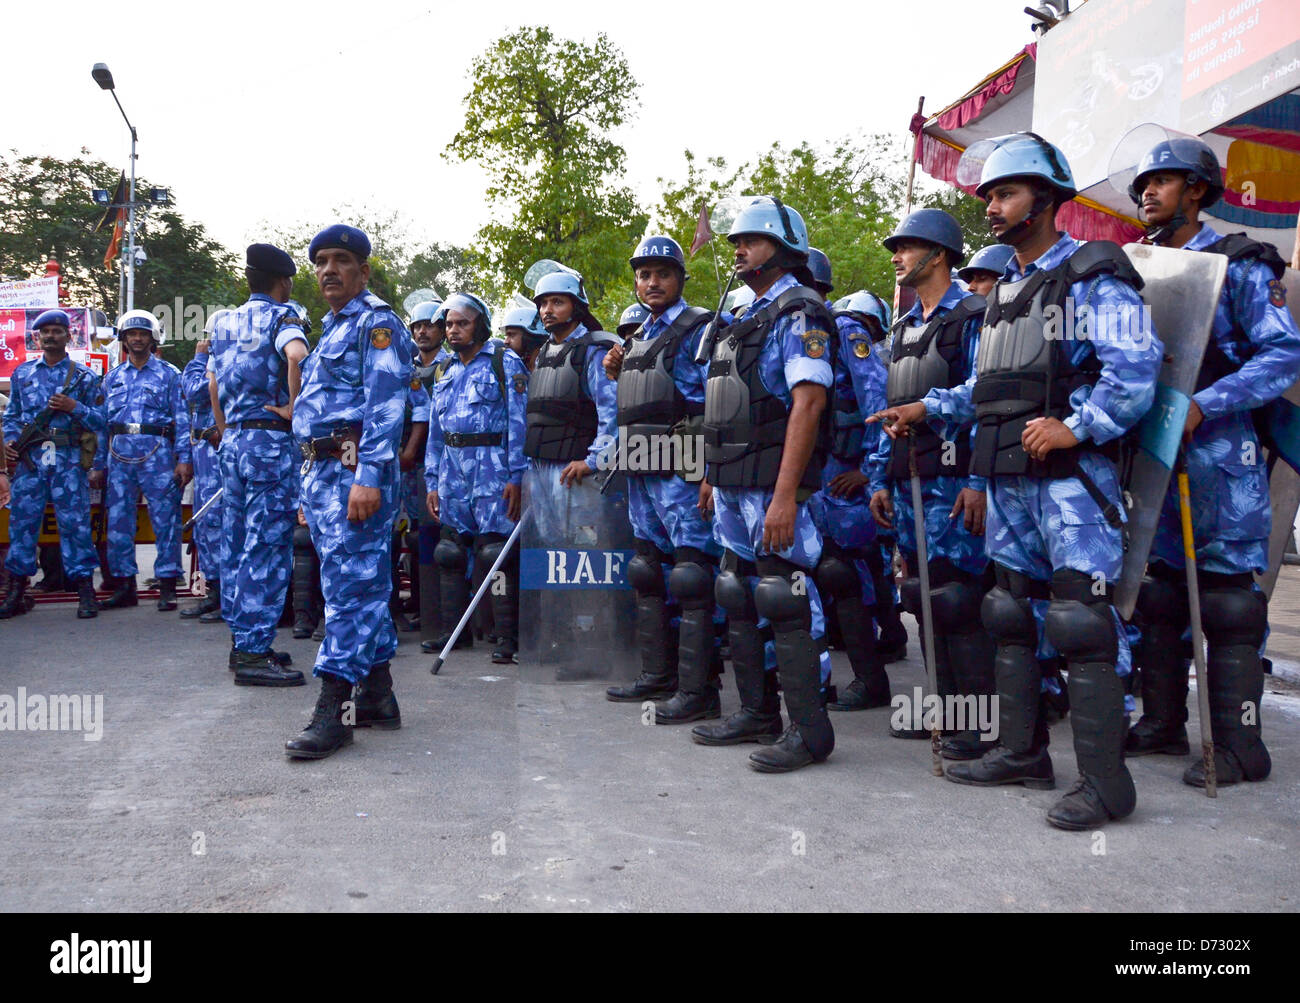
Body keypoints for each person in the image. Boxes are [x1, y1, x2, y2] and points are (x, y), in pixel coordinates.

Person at [876, 133, 1162, 829]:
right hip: (1007, 478)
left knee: (1079, 623)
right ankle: (1021, 752)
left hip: (1071, 481)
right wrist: (928, 405)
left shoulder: (1094, 272)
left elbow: (1136, 369)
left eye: (1006, 193)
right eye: (990, 197)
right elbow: (987, 385)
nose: (994, 207)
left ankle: (1105, 785)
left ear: (1047, 198)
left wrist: (1078, 424)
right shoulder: (1005, 290)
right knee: (1007, 614)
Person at [1121, 133, 1300, 787]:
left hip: (1219, 453)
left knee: (1228, 605)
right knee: (1159, 594)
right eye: (1144, 184)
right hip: (1153, 456)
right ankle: (1163, 724)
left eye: (1162, 182)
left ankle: (1239, 744)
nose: (1148, 193)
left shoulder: (1238, 263)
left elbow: (1283, 354)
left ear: (1196, 190)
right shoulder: (1135, 268)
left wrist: (1208, 402)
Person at [696, 195, 835, 772]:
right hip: (732, 481)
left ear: (781, 249)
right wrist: (710, 475)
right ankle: (757, 713)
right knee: (735, 590)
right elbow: (723, 405)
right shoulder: (742, 318)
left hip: (772, 484)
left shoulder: (799, 311)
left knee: (783, 595)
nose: (737, 249)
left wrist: (785, 495)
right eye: (734, 241)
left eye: (748, 241)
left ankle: (810, 731)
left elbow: (808, 404)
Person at [866, 210, 996, 757]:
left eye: (908, 246)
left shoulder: (973, 317)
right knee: (922, 598)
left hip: (953, 479)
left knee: (958, 600)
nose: (896, 256)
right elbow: (886, 408)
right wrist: (878, 475)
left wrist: (977, 479)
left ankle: (980, 722)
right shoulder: (903, 328)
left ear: (939, 254)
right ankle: (944, 709)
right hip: (908, 479)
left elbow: (987, 396)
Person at [286, 224, 413, 758]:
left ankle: (334, 709)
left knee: (348, 592)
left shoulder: (377, 322)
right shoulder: (332, 326)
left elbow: (386, 407)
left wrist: (367, 476)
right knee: (358, 585)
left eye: (341, 260)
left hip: (353, 467)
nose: (329, 270)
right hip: (323, 473)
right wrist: (306, 487)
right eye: (321, 262)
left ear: (364, 270)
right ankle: (378, 696)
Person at [602, 235, 725, 720]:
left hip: (683, 463)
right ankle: (659, 674)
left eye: (662, 274)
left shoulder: (703, 327)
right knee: (647, 570)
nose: (651, 283)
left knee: (693, 576)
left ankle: (701, 691)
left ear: (680, 278)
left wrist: (712, 471)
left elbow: (720, 400)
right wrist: (619, 371)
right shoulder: (640, 334)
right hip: (641, 464)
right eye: (644, 275)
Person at [799, 249, 895, 714]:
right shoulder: (798, 333)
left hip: (844, 473)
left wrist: (871, 472)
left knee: (847, 570)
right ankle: (814, 678)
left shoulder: (845, 331)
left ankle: (871, 677)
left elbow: (877, 401)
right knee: (817, 574)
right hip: (811, 475)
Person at [208, 245, 309, 685]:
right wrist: (295, 409)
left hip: (233, 441)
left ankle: (245, 641)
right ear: (282, 282)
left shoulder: (224, 323)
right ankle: (252, 653)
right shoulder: (283, 317)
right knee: (267, 545)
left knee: (236, 542)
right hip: (269, 440)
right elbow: (297, 356)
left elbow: (211, 379)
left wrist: (224, 425)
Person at [425, 293, 529, 663]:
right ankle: (455, 632)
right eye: (449, 324)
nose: (453, 330)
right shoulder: (444, 370)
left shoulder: (504, 362)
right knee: (450, 551)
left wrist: (517, 476)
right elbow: (436, 433)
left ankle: (506, 638)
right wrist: (432, 481)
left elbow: (519, 424)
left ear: (480, 325)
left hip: (492, 469)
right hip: (453, 471)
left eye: (462, 323)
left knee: (495, 553)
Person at [0, 309, 105, 619]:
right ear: (37, 337)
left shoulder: (83, 377)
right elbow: (13, 416)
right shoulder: (22, 373)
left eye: (57, 331)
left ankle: (85, 590)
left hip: (67, 460)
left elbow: (101, 421)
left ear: (68, 336)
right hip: (31, 461)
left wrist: (75, 407)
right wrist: (9, 441)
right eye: (44, 332)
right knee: (22, 525)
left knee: (75, 526)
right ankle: (17, 590)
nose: (50, 336)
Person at [97, 311, 191, 612]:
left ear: (153, 338)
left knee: (166, 520)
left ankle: (167, 584)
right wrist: (99, 464)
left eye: (143, 334)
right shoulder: (112, 378)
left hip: (158, 453)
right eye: (132, 334)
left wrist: (184, 459)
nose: (137, 339)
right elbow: (102, 425)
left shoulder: (169, 375)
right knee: (119, 521)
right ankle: (124, 585)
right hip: (119, 455)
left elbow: (183, 420)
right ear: (123, 339)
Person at [178, 309, 230, 621]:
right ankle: (213, 590)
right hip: (201, 455)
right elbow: (187, 398)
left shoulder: (230, 364)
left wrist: (199, 360)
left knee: (220, 524)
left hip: (222, 453)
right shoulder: (201, 365)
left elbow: (198, 389)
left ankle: (227, 595)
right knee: (204, 524)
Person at [501, 305, 548, 371]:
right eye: (506, 336)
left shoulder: (549, 372)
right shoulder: (507, 369)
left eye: (511, 335)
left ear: (530, 338)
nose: (506, 341)